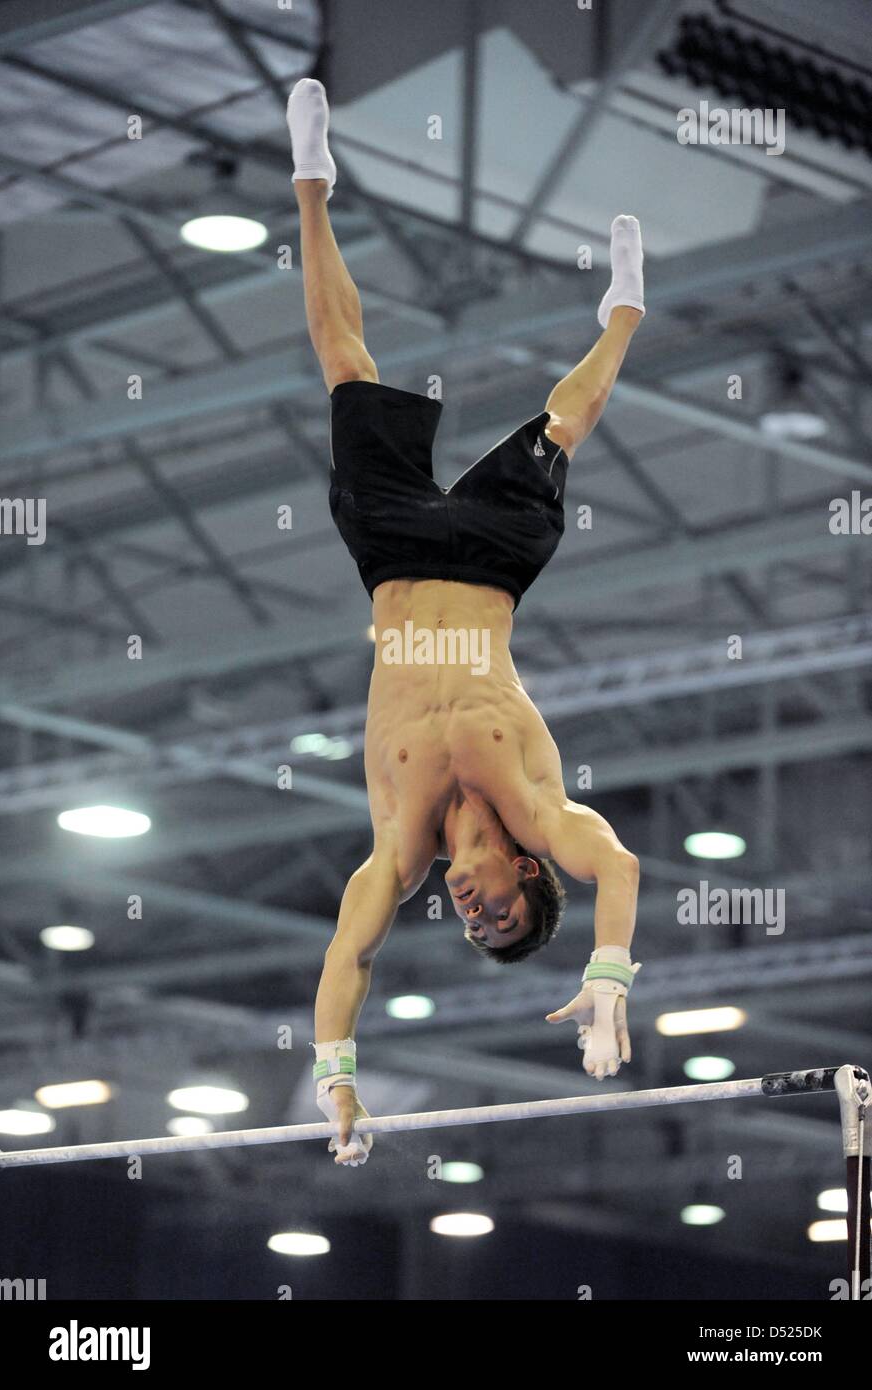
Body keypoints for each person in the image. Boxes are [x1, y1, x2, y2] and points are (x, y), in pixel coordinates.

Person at [288, 79, 644, 1165]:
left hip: (393, 564)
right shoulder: (540, 813)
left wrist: (338, 1090)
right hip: (491, 570)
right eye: (499, 915)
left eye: (472, 926)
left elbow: (349, 963)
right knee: (564, 422)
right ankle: (626, 307)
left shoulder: (396, 849)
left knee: (347, 369)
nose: (474, 912)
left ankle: (311, 185)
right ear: (531, 878)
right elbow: (621, 868)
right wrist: (607, 979)